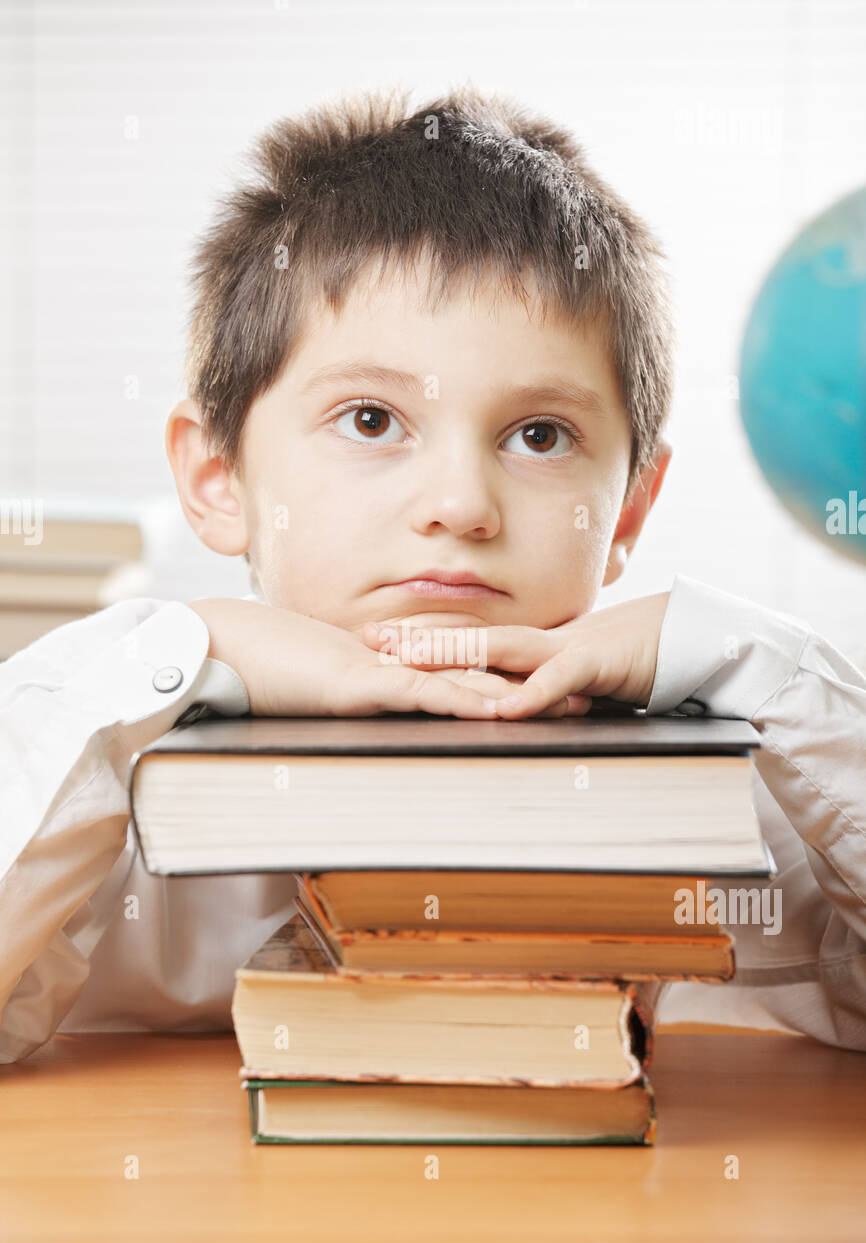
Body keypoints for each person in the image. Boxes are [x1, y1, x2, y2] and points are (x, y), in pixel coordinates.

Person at [2, 84, 864, 1065]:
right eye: (370, 420)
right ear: (216, 477)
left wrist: (750, 662)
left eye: (538, 435)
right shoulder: (107, 764)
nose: (460, 504)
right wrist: (191, 649)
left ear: (624, 509)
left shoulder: (692, 794)